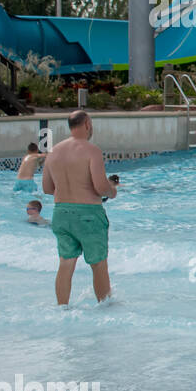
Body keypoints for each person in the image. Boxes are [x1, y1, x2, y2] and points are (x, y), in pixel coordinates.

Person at [41, 110, 116, 304]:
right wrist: (112, 191)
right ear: (87, 124)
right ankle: (105, 308)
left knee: (66, 262)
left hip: (61, 213)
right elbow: (100, 187)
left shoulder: (54, 152)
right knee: (98, 264)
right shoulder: (92, 150)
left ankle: (62, 307)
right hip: (88, 214)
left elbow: (47, 188)